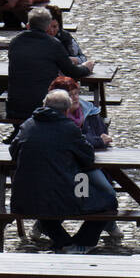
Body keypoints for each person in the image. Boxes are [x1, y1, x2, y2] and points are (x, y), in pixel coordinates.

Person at [10, 89, 118, 253]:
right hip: (60, 195)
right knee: (108, 202)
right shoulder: (69, 129)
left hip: (24, 197)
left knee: (45, 202)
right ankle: (82, 242)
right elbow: (87, 157)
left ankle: (63, 241)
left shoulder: (27, 125)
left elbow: (13, 151)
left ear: (44, 105)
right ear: (67, 110)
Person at [7, 6, 94, 124]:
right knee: (86, 107)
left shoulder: (15, 42)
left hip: (15, 106)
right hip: (44, 105)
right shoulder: (53, 44)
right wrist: (86, 68)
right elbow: (71, 71)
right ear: (47, 26)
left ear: (28, 24)